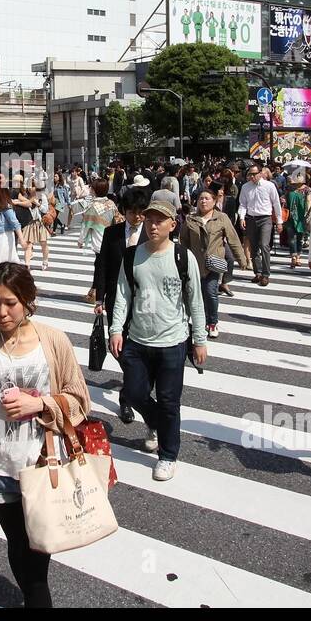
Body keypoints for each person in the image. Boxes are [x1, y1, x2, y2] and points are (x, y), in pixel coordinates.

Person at [0, 263, 91, 608]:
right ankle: (34, 598)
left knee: (38, 548)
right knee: (17, 543)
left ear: (28, 300)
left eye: (10, 302)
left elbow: (79, 401)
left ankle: (35, 598)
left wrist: (40, 404)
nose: (1, 312)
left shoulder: (53, 341)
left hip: (45, 463)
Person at [109, 200, 207, 482]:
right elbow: (122, 295)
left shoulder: (182, 256)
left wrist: (199, 339)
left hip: (173, 341)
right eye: (149, 219)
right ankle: (155, 422)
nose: (153, 225)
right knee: (134, 393)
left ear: (172, 225)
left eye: (160, 220)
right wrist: (116, 329)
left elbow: (195, 301)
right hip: (138, 340)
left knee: (169, 402)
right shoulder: (132, 257)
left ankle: (168, 454)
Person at [93, 185, 151, 423]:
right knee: (120, 350)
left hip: (144, 300)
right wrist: (99, 298)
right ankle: (129, 393)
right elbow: (103, 265)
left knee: (136, 350)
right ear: (124, 211)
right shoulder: (112, 233)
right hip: (116, 299)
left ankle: (129, 395)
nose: (137, 217)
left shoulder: (151, 232)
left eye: (141, 212)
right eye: (132, 212)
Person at [180, 187, 248, 339]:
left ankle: (212, 322)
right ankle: (195, 322)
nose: (203, 201)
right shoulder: (191, 219)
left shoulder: (221, 217)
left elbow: (233, 239)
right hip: (194, 263)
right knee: (193, 294)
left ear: (214, 201)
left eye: (207, 198)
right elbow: (183, 241)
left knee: (210, 293)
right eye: (201, 199)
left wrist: (241, 259)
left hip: (213, 263)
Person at [238, 163, 281, 287]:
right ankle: (258, 273)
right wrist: (242, 217)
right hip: (251, 218)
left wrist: (279, 221)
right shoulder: (245, 187)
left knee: (264, 245)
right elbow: (243, 204)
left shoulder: (269, 186)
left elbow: (276, 204)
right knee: (254, 247)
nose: (252, 176)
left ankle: (266, 274)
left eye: (254, 174)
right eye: (250, 174)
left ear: (261, 173)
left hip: (265, 218)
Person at [0, 187, 22, 265]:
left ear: (0, 194)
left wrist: (21, 239)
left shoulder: (7, 208)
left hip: (5, 236)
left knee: (1, 258)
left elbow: (15, 223)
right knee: (1, 258)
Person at [287, 176, 311, 269]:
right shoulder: (289, 187)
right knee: (291, 237)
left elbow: (309, 201)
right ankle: (294, 256)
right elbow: (285, 198)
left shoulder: (307, 189)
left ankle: (298, 257)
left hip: (301, 215)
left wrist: (307, 213)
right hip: (291, 215)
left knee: (299, 237)